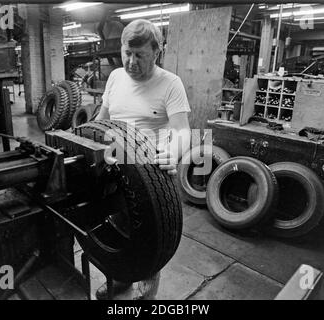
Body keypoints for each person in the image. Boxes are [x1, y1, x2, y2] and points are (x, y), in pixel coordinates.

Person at [94, 19, 191, 299]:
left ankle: (145, 296)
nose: (131, 62)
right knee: (115, 233)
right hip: (115, 173)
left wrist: (173, 152)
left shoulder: (171, 84)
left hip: (152, 177)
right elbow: (102, 121)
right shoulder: (115, 77)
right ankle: (120, 279)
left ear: (156, 52)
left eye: (140, 55)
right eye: (127, 53)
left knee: (150, 242)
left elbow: (183, 130)